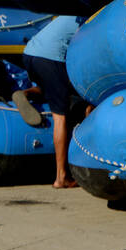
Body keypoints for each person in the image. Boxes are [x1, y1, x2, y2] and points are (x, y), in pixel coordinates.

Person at [16, 15, 86, 188]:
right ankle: (61, 177)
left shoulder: (68, 12)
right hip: (51, 59)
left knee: (51, 88)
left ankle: (26, 93)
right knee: (60, 117)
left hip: (30, 53)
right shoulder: (90, 19)